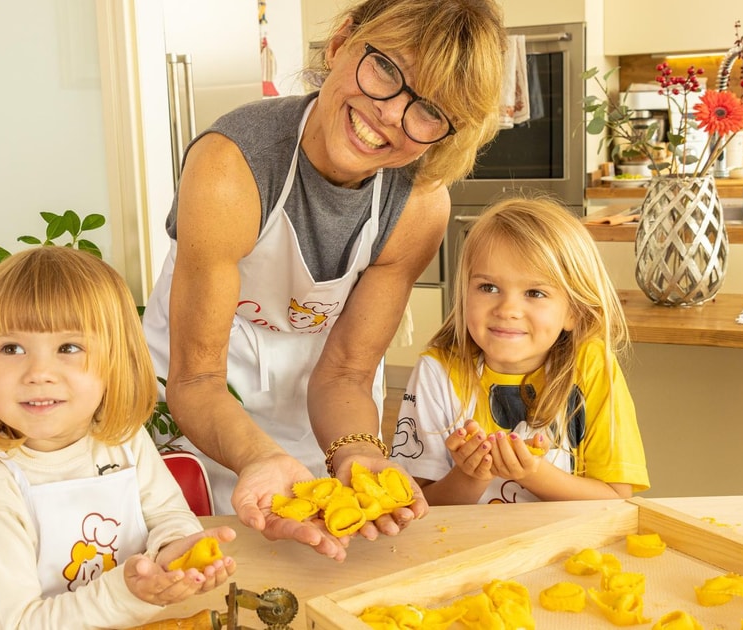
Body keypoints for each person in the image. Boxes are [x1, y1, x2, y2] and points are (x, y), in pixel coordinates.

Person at [140, 0, 506, 561]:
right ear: (341, 43)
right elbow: (197, 382)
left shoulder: (418, 208)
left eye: (428, 109)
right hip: (202, 393)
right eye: (386, 69)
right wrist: (259, 457)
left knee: (308, 561)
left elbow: (345, 375)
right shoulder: (231, 166)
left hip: (318, 395)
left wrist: (357, 454)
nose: (390, 115)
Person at [0, 246, 235, 629]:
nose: (38, 372)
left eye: (69, 347)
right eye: (11, 348)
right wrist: (128, 594)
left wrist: (175, 552)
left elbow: (167, 515)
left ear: (116, 362)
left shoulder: (124, 440)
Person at [389, 198, 650, 505]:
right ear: (464, 293)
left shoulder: (592, 365)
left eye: (535, 293)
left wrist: (531, 473)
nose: (508, 309)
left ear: (573, 312)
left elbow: (616, 498)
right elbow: (419, 504)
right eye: (488, 287)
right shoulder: (437, 371)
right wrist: (470, 475)